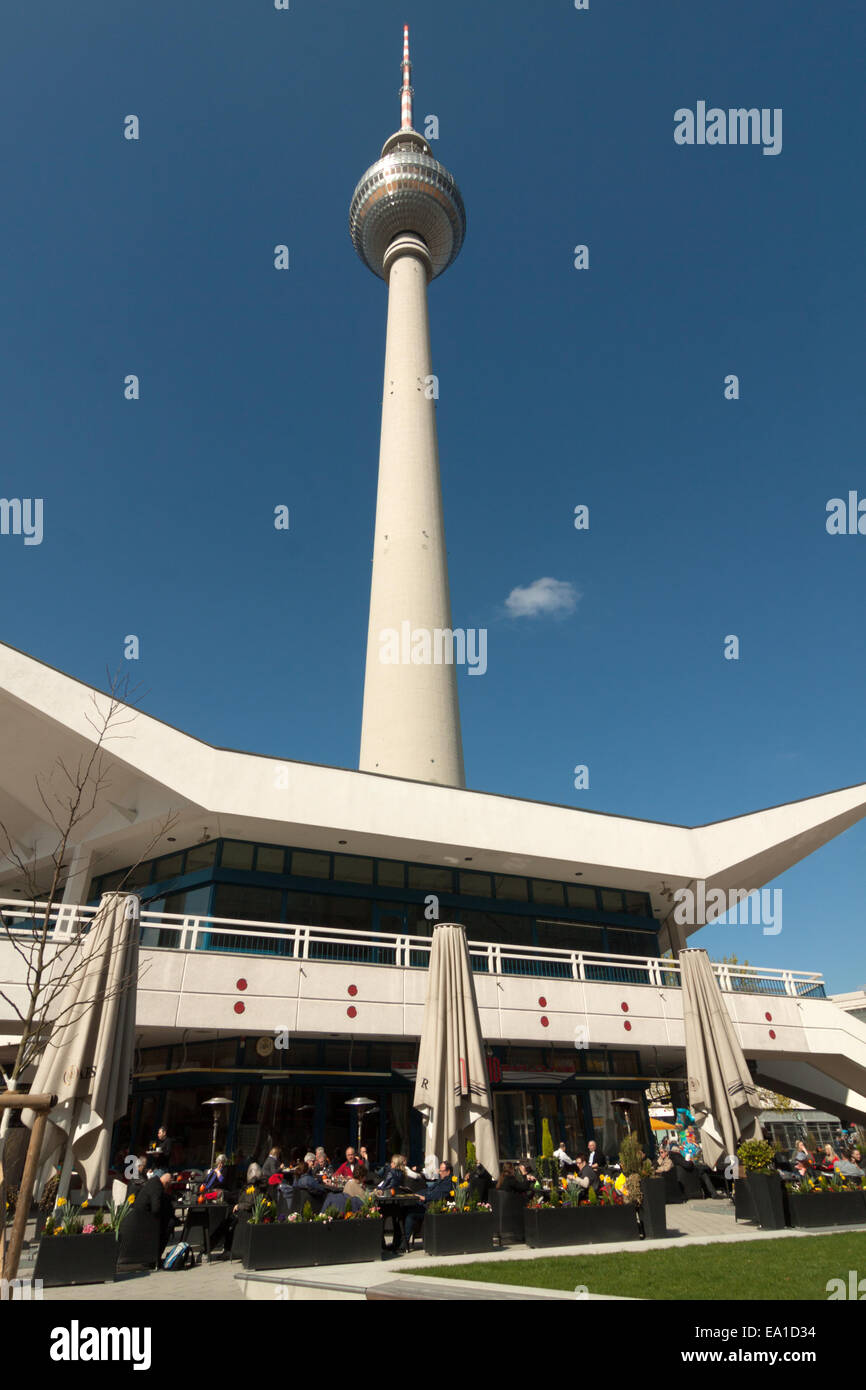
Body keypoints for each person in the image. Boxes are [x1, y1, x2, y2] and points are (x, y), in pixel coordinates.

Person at [398, 1162, 454, 1254]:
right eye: (439, 1170)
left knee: (410, 1214)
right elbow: (429, 1189)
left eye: (441, 1170)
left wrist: (425, 1198)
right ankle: (399, 1242)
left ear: (448, 1171)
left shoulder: (449, 1182)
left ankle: (404, 1244)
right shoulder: (441, 1180)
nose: (439, 1172)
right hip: (426, 1204)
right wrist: (416, 1194)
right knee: (404, 1209)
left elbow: (440, 1195)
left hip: (432, 1208)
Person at [123, 1171, 176, 1265]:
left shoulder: (153, 1182)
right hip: (144, 1221)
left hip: (138, 1217)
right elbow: (156, 1208)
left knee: (169, 1221)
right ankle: (155, 1257)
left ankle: (154, 1257)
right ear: (166, 1183)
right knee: (169, 1225)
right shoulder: (157, 1187)